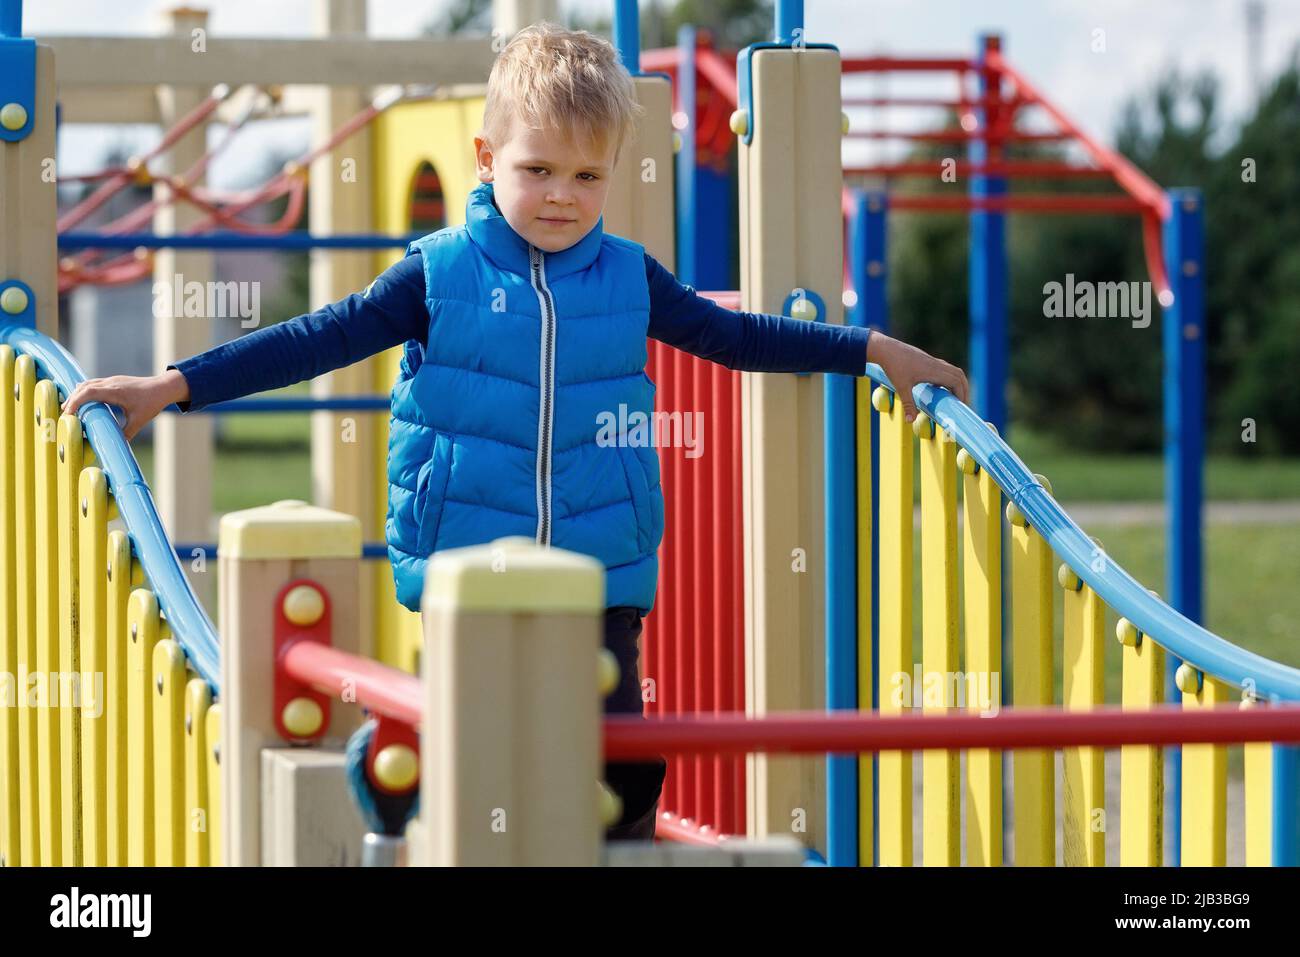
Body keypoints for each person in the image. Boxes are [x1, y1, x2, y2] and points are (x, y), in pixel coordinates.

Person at [62, 22, 968, 842]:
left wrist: (873, 348)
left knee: (624, 755)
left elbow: (734, 338)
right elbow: (317, 339)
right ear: (487, 157)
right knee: (468, 754)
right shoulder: (437, 275)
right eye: (538, 170)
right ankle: (397, 784)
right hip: (471, 569)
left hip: (599, 569)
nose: (563, 197)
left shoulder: (628, 278)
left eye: (587, 175)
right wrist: (172, 385)